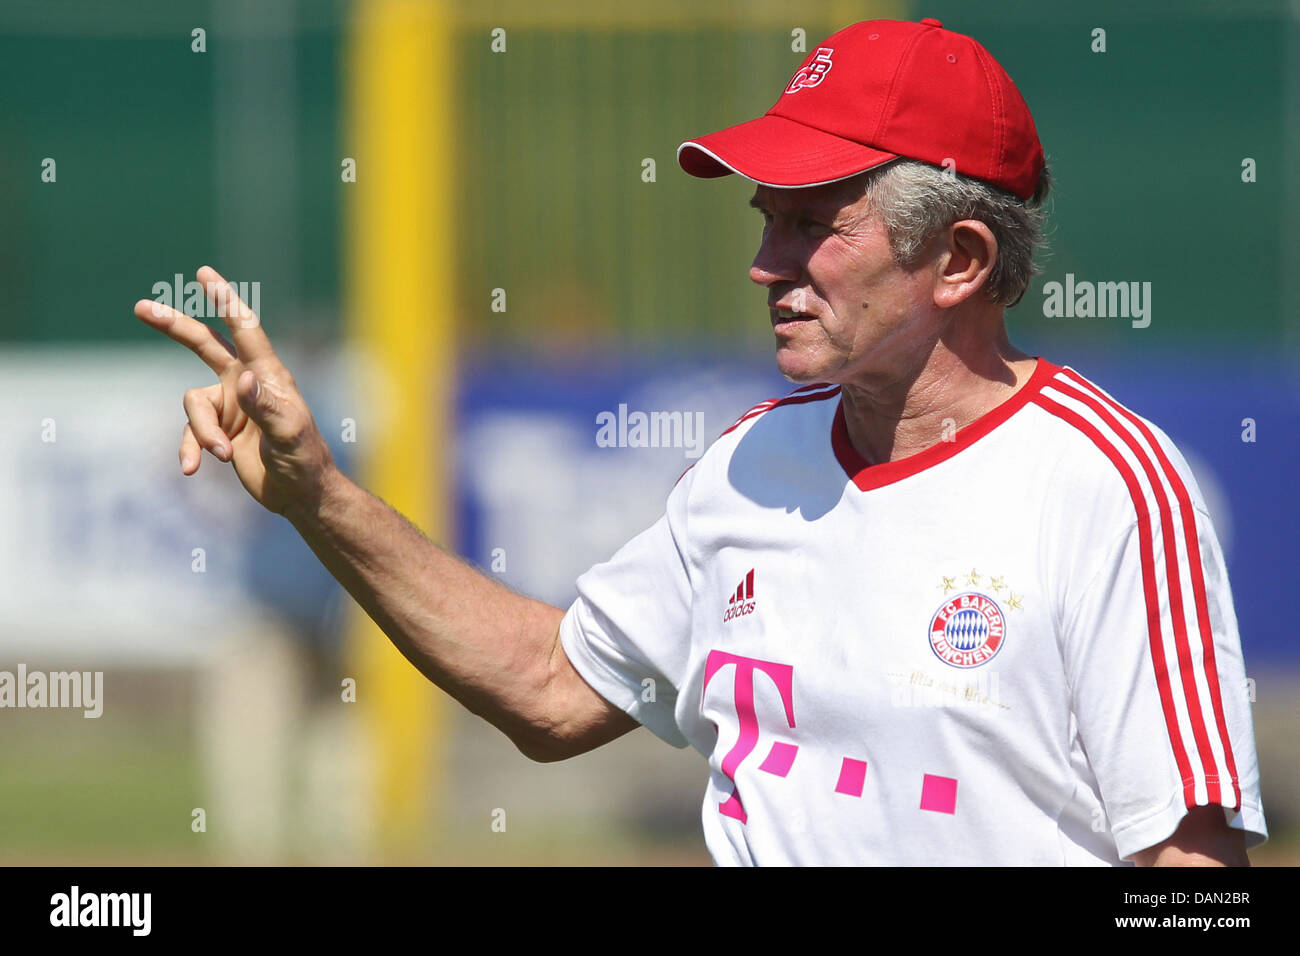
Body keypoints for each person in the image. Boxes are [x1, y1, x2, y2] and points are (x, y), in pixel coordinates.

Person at [136, 17, 1265, 866]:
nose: (766, 263)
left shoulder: (1109, 489)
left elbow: (1193, 864)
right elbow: (549, 686)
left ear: (960, 258)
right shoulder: (746, 467)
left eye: (815, 223)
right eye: (765, 218)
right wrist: (319, 494)